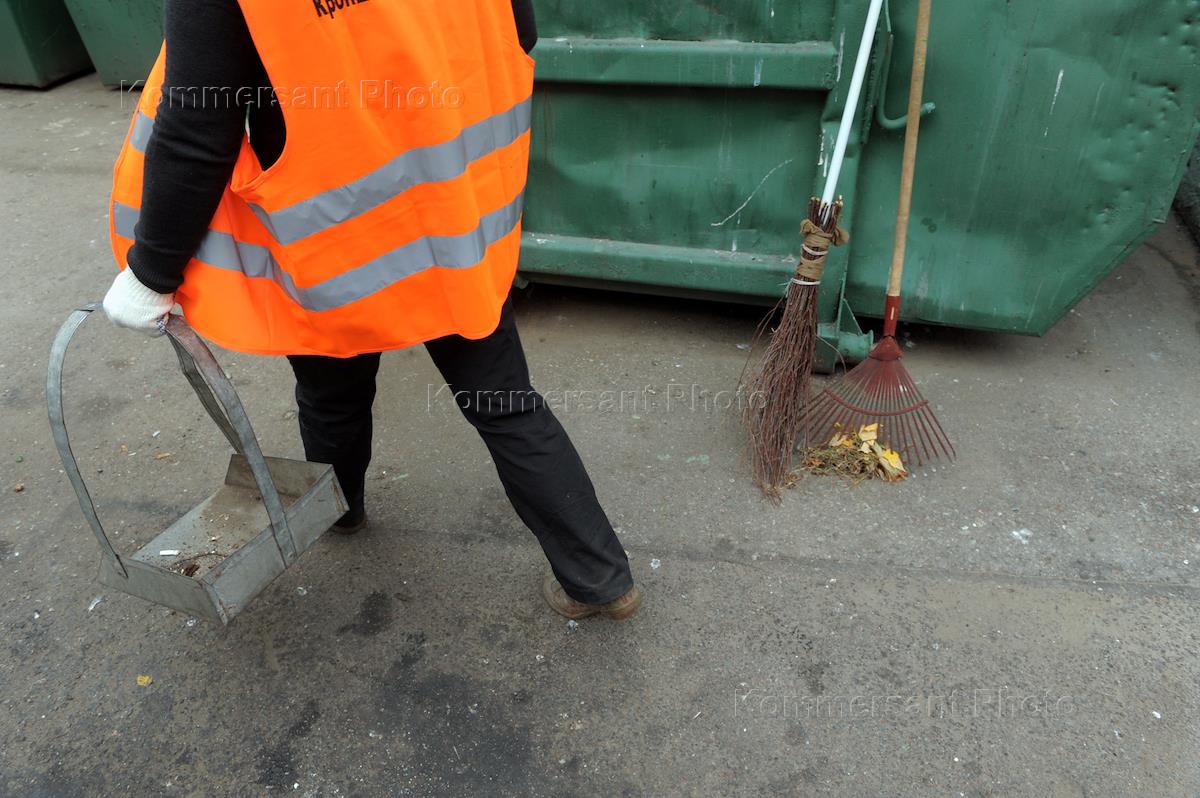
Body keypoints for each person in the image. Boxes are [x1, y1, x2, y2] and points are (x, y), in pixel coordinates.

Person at [101, 0, 641, 621]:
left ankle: (342, 508)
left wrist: (152, 273)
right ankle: (599, 580)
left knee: (332, 389)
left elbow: (199, 123)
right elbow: (519, 31)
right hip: (447, 199)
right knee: (501, 397)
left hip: (334, 223)